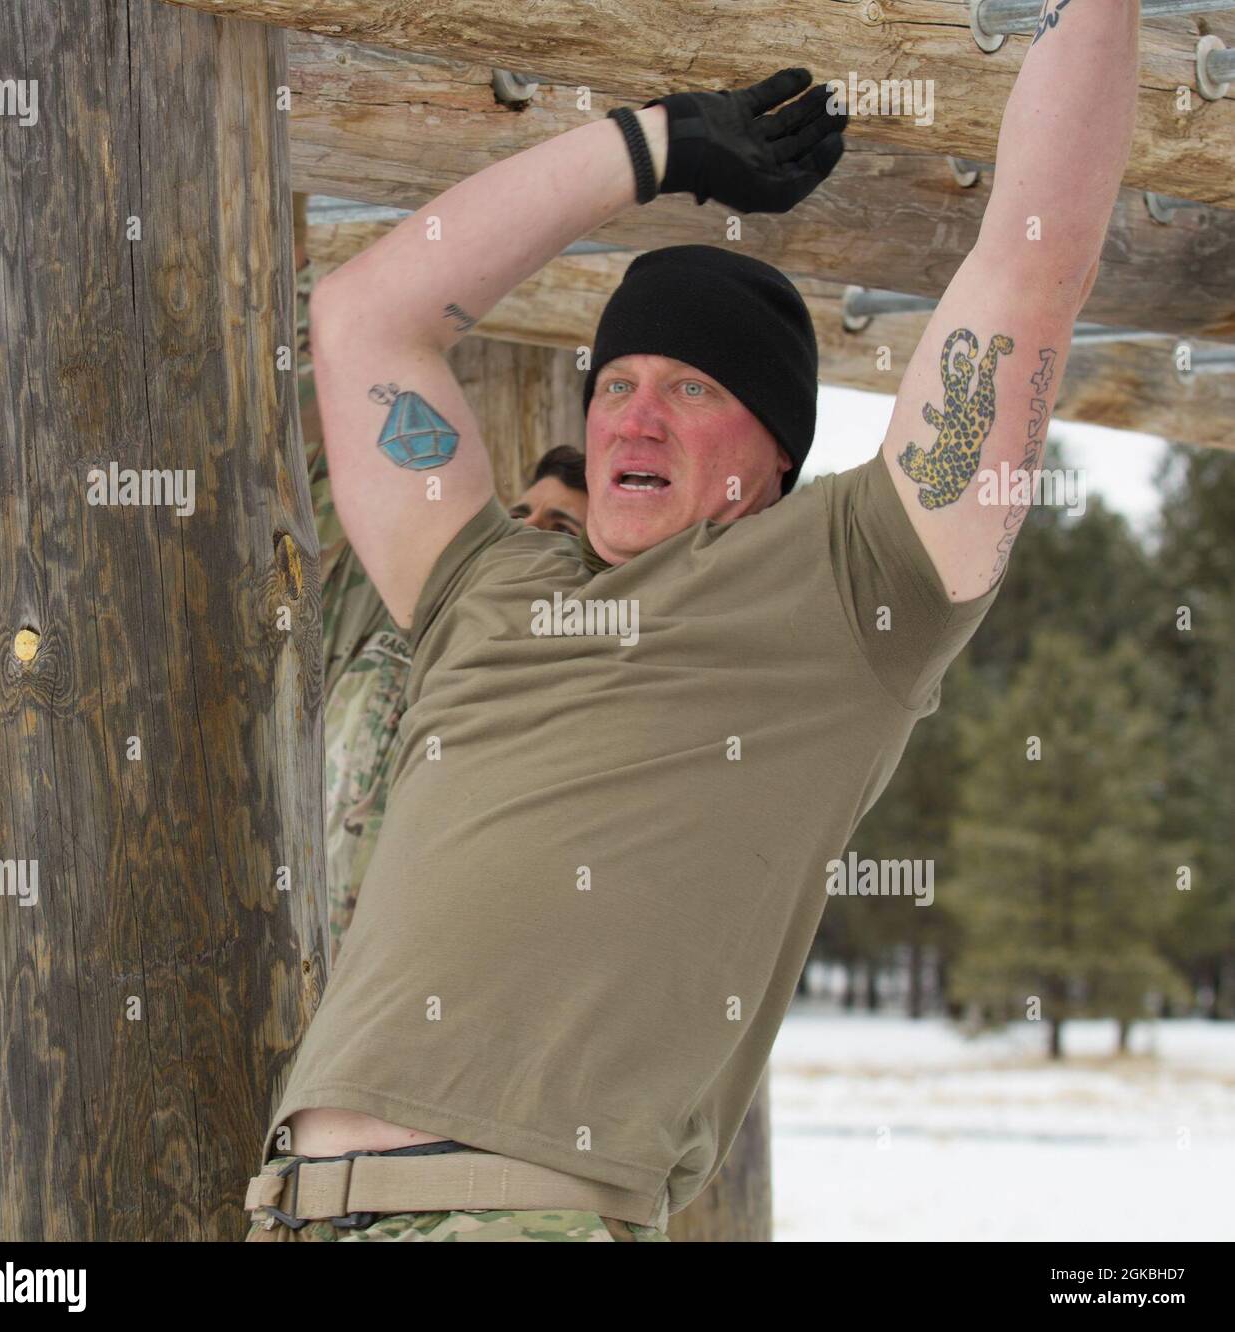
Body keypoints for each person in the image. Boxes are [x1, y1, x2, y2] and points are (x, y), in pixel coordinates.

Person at [248, 4, 1139, 1242]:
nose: (631, 418)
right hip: (291, 1211)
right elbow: (362, 321)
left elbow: (1031, 268)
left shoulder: (846, 591)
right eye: (614, 382)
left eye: (690, 387)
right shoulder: (479, 585)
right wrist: (653, 145)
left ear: (774, 453)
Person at [293, 241, 588, 961]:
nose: (528, 534)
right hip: (285, 986)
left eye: (561, 530)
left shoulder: (571, 707)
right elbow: (333, 452)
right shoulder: (395, 611)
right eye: (519, 514)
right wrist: (305, 306)